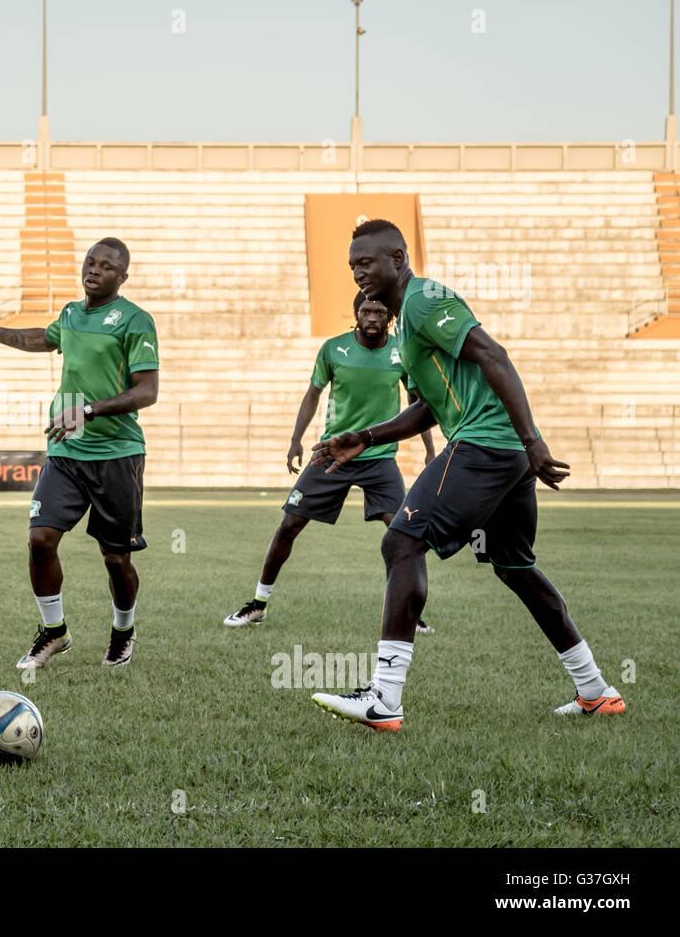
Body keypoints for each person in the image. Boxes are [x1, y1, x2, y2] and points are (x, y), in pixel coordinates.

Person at [310, 219, 624, 731]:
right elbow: (428, 409)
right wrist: (363, 437)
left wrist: (532, 440)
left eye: (365, 263)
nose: (357, 274)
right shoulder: (405, 320)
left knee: (401, 543)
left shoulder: (425, 301)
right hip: (501, 452)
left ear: (397, 256)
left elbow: (493, 354)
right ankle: (595, 690)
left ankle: (384, 699)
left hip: (486, 444)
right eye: (351, 266)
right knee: (514, 567)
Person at [0, 238, 159, 669]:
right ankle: (55, 632)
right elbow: (39, 338)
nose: (94, 270)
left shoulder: (136, 321)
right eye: (90, 262)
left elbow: (147, 391)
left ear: (123, 277)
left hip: (116, 453)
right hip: (64, 449)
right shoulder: (71, 314)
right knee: (40, 539)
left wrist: (90, 409)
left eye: (107, 266)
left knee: (116, 558)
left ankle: (123, 632)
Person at [224, 292, 435, 629]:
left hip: (378, 456)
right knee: (289, 524)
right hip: (332, 451)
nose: (371, 318)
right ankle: (258, 604)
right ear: (355, 314)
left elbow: (416, 403)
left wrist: (429, 447)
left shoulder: (402, 353)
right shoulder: (333, 349)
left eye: (379, 312)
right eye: (365, 311)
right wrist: (296, 439)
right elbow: (313, 394)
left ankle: (411, 613)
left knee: (402, 532)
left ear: (389, 317)